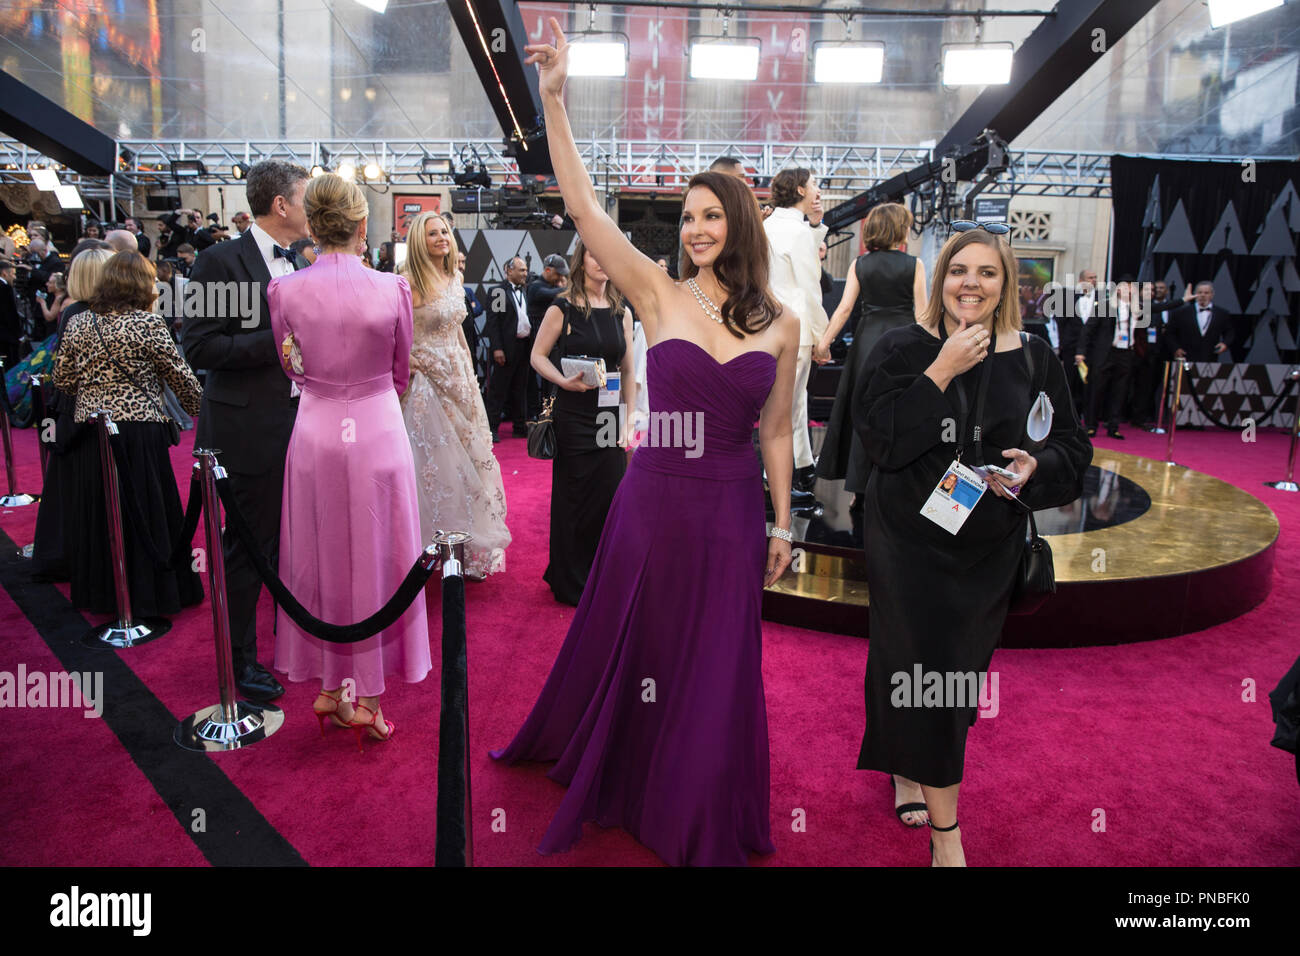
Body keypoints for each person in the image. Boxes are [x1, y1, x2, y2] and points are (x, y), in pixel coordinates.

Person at [491, 19, 798, 866]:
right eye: (688, 216)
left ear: (739, 224)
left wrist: (783, 523)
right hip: (654, 499)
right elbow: (586, 210)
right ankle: (627, 767)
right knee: (646, 647)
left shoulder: (784, 325)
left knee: (717, 662)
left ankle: (693, 797)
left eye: (710, 216)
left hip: (733, 509)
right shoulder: (657, 293)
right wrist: (555, 102)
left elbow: (776, 431)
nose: (695, 229)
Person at [853, 227, 1091, 866]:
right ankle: (946, 834)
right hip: (905, 534)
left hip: (987, 546)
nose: (971, 283)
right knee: (917, 662)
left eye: (988, 272)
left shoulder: (1037, 357)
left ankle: (910, 766)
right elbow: (880, 438)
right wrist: (941, 369)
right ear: (941, 279)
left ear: (1006, 283)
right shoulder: (906, 346)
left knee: (953, 672)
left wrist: (1036, 467)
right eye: (960, 270)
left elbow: (1073, 446)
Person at [267, 173, 430, 748]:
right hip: (378, 426)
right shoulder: (393, 289)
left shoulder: (284, 290)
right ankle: (371, 702)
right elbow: (401, 372)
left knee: (320, 552)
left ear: (311, 225)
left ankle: (333, 686)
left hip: (313, 430)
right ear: (363, 224)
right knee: (382, 557)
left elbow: (290, 367)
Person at [182, 158, 311, 704]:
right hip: (245, 429)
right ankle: (239, 664)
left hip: (305, 425)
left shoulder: (306, 261)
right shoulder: (218, 261)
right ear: (281, 204)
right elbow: (200, 347)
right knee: (248, 548)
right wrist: (278, 344)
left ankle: (295, 644)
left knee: (292, 543)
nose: (314, 207)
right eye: (307, 197)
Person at [51, 251, 204, 618]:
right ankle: (154, 594)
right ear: (143, 285)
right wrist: (205, 410)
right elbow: (181, 379)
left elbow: (63, 380)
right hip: (139, 433)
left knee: (102, 512)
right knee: (147, 510)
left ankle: (106, 594)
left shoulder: (79, 323)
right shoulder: (148, 325)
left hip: (93, 433)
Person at [399, 211, 511, 579]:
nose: (442, 238)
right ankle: (431, 547)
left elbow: (459, 331)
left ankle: (467, 546)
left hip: (459, 378)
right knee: (437, 467)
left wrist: (469, 372)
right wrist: (407, 363)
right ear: (419, 239)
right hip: (426, 385)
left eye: (445, 231)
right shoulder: (406, 282)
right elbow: (394, 332)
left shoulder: (453, 276)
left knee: (471, 462)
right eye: (433, 233)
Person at [532, 238, 635, 605]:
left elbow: (628, 370)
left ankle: (600, 576)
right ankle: (569, 578)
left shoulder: (623, 311)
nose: (602, 261)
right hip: (573, 415)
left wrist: (629, 419)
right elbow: (538, 356)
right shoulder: (562, 308)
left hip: (609, 416)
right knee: (573, 498)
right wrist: (561, 381)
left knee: (609, 499)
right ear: (581, 261)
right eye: (595, 254)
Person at [815, 202, 927, 510]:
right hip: (905, 345)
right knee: (900, 413)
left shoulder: (859, 265)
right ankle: (897, 485)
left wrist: (824, 343)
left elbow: (844, 309)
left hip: (868, 344)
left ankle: (859, 490)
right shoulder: (914, 265)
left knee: (863, 413)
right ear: (899, 229)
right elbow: (924, 313)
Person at [763, 167, 827, 500]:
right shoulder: (796, 232)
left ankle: (799, 469)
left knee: (789, 404)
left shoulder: (769, 225)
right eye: (814, 184)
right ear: (801, 189)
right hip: (796, 328)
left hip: (766, 326)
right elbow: (809, 288)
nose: (819, 190)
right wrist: (822, 336)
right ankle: (777, 481)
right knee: (787, 407)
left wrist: (815, 225)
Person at [1076, 277, 1138, 439]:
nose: (1129, 291)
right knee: (1097, 389)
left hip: (1125, 353)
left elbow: (1160, 307)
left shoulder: (1138, 307)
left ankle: (1114, 426)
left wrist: (1182, 300)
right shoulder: (1105, 305)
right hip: (1105, 353)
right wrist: (1080, 351)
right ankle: (1090, 425)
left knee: (1120, 391)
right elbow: (1088, 329)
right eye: (1125, 288)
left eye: (1131, 288)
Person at [484, 255, 532, 441]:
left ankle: (520, 426)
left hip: (524, 346)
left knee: (521, 388)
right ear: (508, 271)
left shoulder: (527, 290)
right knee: (498, 389)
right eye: (521, 270)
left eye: (526, 270)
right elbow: (493, 322)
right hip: (505, 348)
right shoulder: (498, 292)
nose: (525, 273)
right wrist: (497, 348)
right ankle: (492, 428)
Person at [1166, 281, 1233, 362]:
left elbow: (1230, 332)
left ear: (1212, 295)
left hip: (1210, 356)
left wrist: (1225, 343)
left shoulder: (1222, 313)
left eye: (1206, 293)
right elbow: (1170, 333)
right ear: (1194, 294)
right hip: (1186, 356)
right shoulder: (1181, 313)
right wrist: (1176, 348)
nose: (1202, 295)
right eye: (1199, 292)